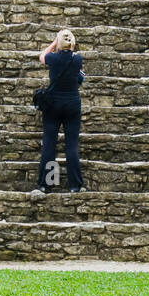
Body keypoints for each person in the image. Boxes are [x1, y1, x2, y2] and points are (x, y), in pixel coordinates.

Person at [31, 28, 85, 197]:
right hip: (72, 105)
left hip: (53, 105)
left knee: (49, 145)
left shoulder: (53, 58)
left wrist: (54, 42)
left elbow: (42, 56)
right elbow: (80, 79)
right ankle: (74, 185)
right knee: (71, 146)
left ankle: (47, 184)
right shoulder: (78, 60)